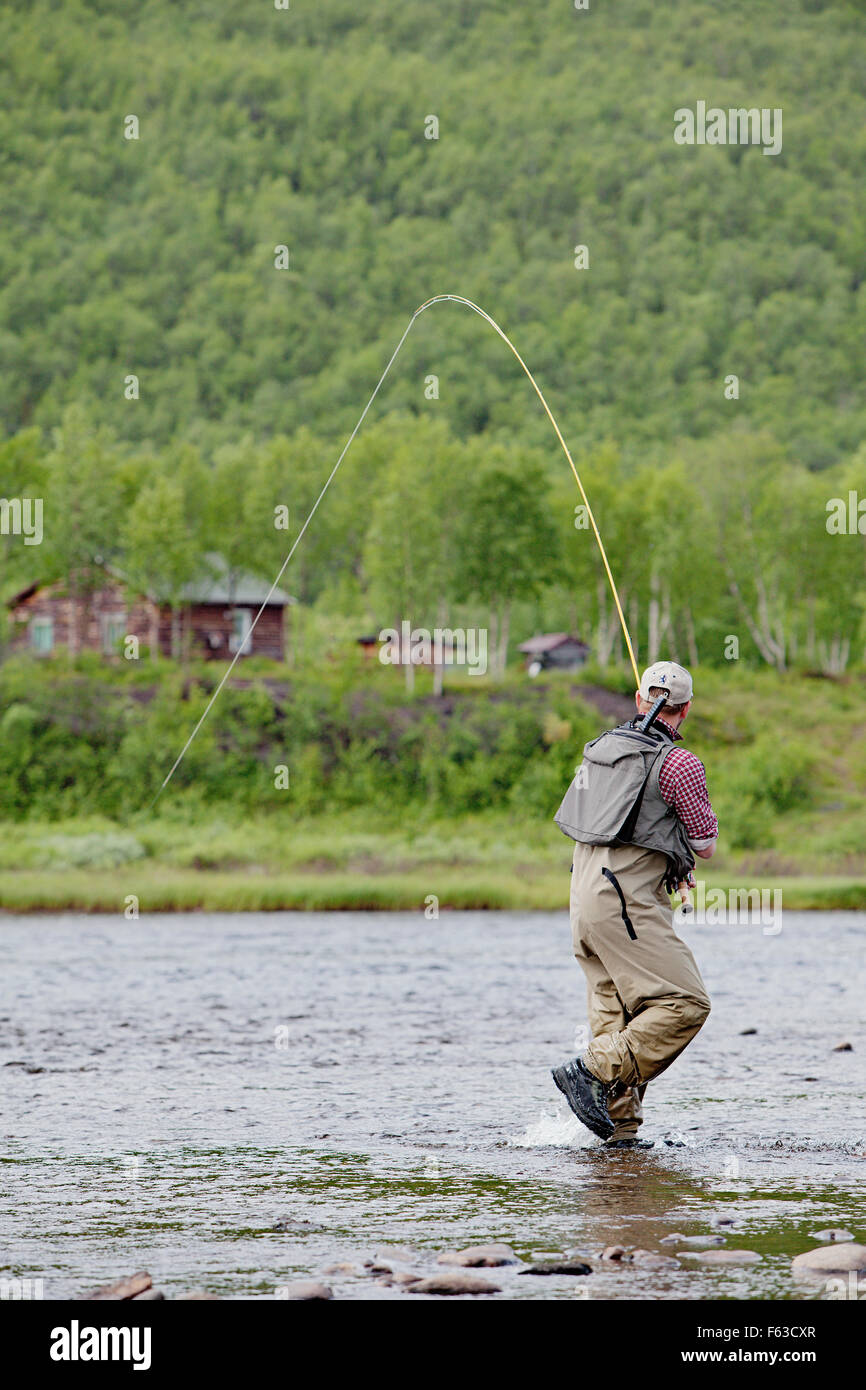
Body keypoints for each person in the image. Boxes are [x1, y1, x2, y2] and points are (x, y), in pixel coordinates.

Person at [551, 661, 718, 1148]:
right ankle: (590, 1070)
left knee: (617, 1015)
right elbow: (705, 841)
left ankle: (620, 1138)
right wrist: (687, 855)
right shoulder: (680, 763)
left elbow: (612, 822)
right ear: (685, 709)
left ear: (638, 699)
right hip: (624, 901)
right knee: (684, 1003)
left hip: (581, 898)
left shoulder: (599, 751)